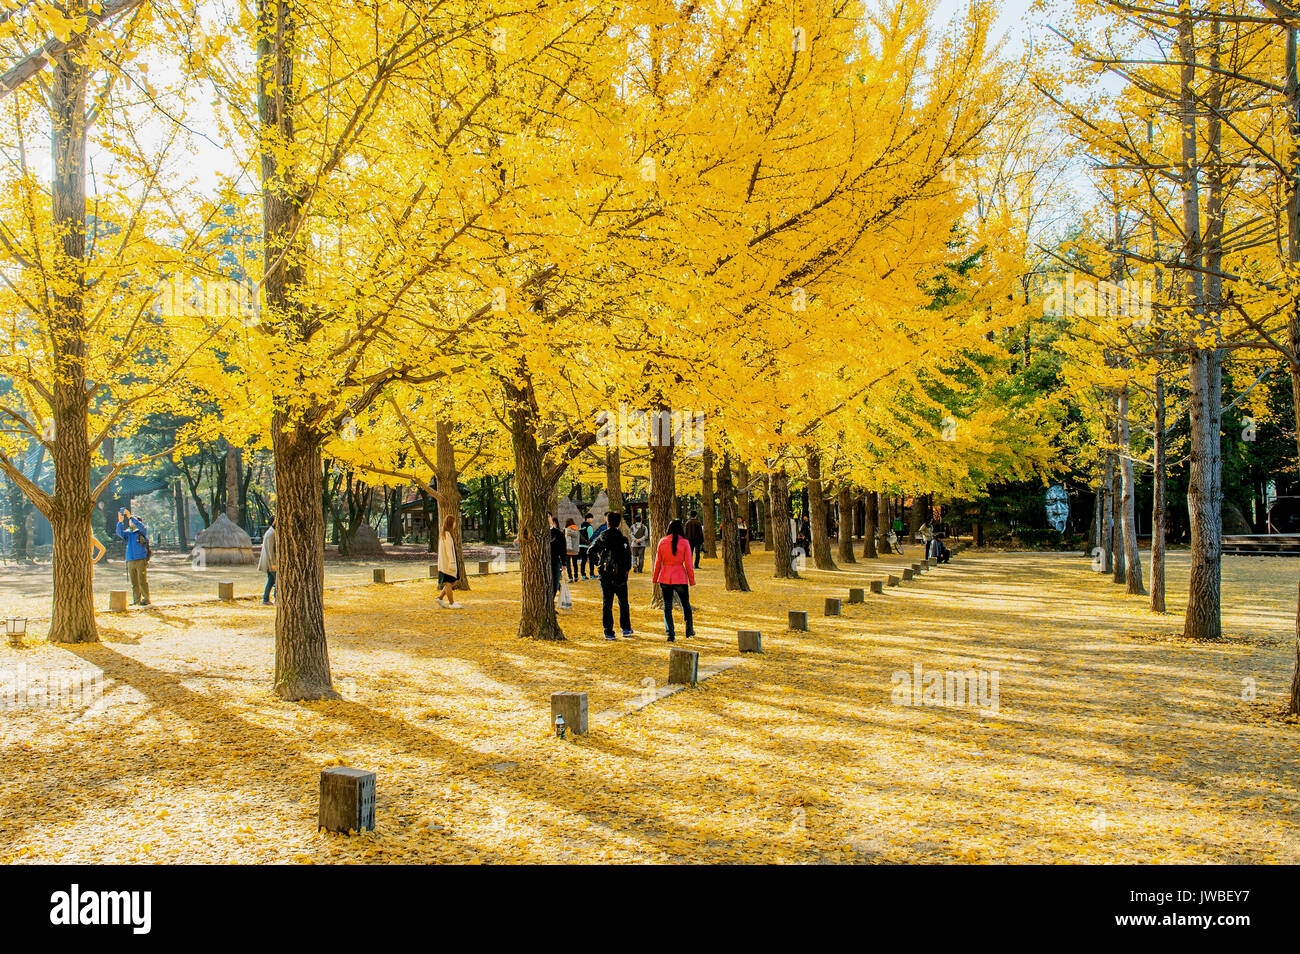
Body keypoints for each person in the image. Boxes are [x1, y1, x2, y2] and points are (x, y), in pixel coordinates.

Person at [589, 511, 633, 640]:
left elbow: (590, 551)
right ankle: (625, 629)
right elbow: (628, 558)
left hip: (606, 574)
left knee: (607, 603)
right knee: (623, 602)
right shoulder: (623, 539)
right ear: (619, 524)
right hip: (620, 575)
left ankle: (608, 631)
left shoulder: (602, 537)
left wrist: (599, 563)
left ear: (607, 523)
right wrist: (626, 571)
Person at [652, 518, 696, 642]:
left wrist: (655, 578)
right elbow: (688, 564)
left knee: (667, 607)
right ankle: (689, 630)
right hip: (680, 577)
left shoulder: (662, 542)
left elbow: (658, 562)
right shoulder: (685, 543)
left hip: (665, 576)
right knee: (685, 605)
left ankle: (670, 633)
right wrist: (691, 580)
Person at [115, 508, 151, 606]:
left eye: (132, 521)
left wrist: (130, 516)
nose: (131, 523)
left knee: (142, 580)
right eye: (130, 521)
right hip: (130, 560)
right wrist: (120, 522)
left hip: (141, 559)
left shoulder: (142, 531)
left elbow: (140, 526)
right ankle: (136, 600)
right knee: (134, 582)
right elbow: (119, 533)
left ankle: (146, 599)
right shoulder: (129, 533)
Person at [435, 514, 464, 608]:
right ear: (451, 523)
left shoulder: (445, 534)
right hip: (447, 563)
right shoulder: (447, 535)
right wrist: (451, 562)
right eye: (454, 522)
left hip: (445, 563)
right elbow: (448, 551)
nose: (455, 524)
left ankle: (440, 598)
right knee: (448, 583)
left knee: (453, 582)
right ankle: (451, 603)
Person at [259, 516, 278, 605]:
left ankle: (265, 599)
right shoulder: (271, 534)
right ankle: (277, 599)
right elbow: (270, 551)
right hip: (270, 562)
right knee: (277, 581)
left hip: (269, 562)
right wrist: (274, 564)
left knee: (271, 580)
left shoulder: (271, 532)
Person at [548, 513, 567, 595]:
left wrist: (564, 563)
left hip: (555, 562)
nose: (547, 519)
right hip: (540, 563)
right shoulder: (537, 534)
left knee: (555, 584)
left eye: (548, 517)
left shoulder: (558, 533)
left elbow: (563, 549)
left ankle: (551, 604)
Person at [578, 513, 595, 579]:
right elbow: (591, 537)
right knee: (591, 560)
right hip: (588, 546)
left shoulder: (581, 526)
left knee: (583, 561)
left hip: (581, 546)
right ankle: (592, 574)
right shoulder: (589, 527)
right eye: (591, 518)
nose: (592, 519)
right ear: (588, 518)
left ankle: (583, 575)